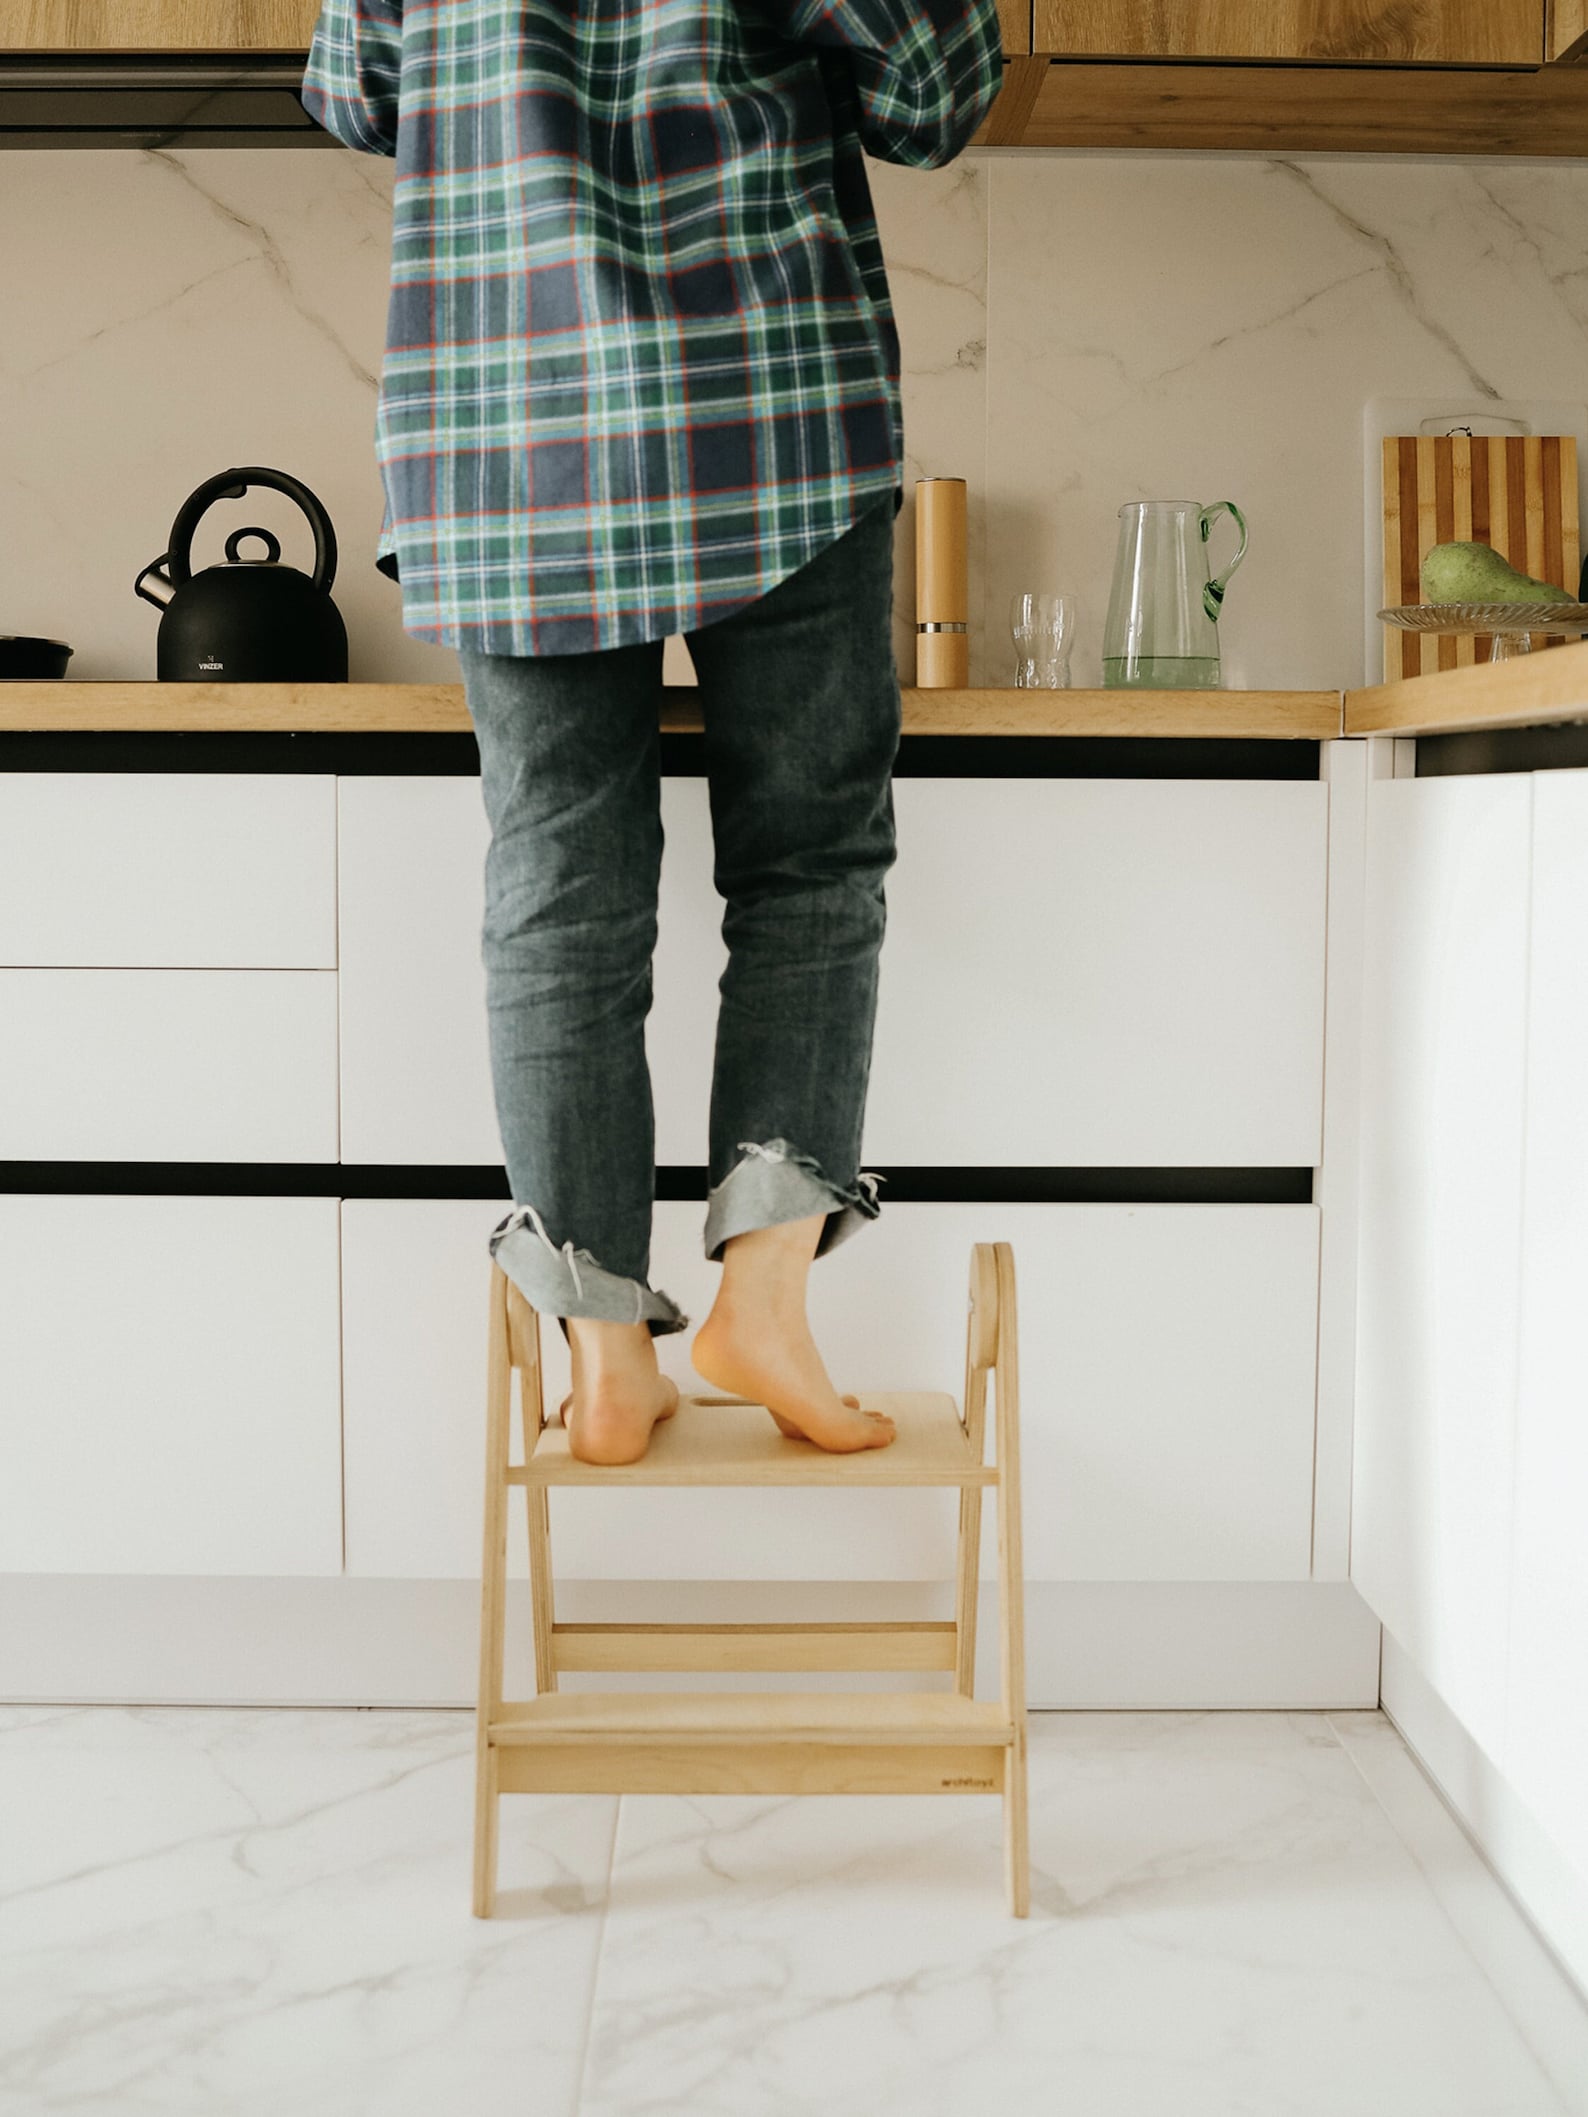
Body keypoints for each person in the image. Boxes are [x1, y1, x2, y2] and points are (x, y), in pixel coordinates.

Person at [301, 0, 1005, 1464]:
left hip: (502, 434)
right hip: (767, 413)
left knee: (560, 887)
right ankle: (765, 1302)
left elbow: (356, 91)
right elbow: (937, 92)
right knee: (808, 858)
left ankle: (603, 1350)